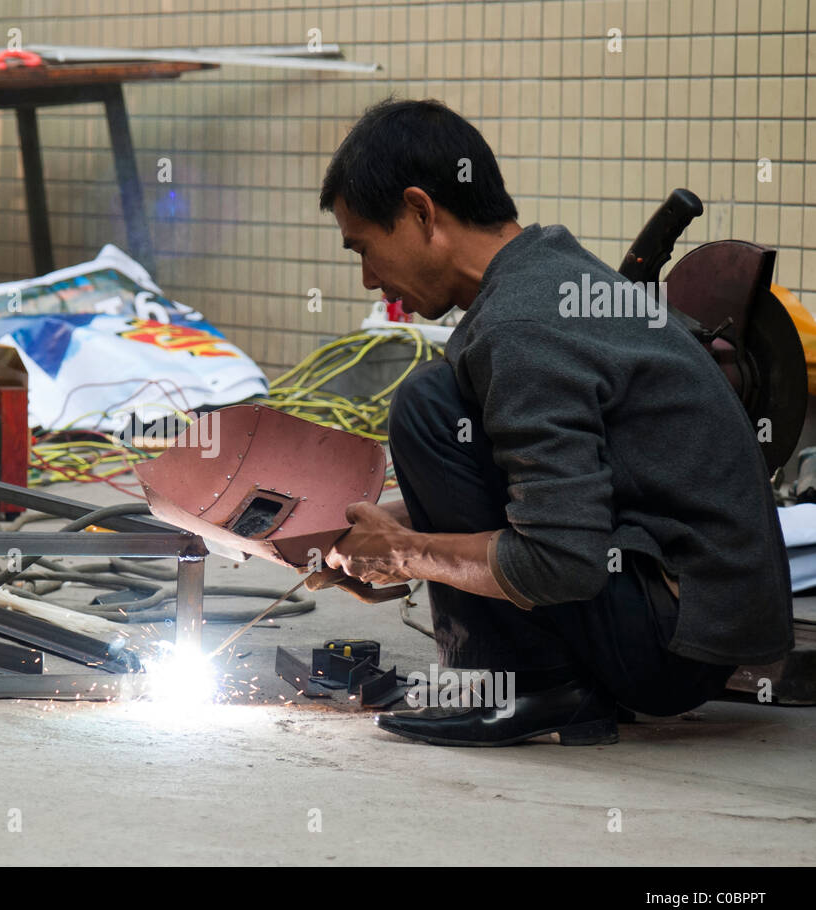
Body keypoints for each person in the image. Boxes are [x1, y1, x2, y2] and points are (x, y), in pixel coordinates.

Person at [307, 97, 792, 746]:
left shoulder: (522, 325)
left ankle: (526, 686)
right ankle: (546, 682)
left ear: (422, 212)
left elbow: (562, 563)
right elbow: (556, 489)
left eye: (365, 247)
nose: (370, 279)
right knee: (445, 410)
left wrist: (410, 554)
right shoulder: (543, 278)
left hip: (672, 644)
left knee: (428, 407)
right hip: (687, 620)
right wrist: (385, 527)